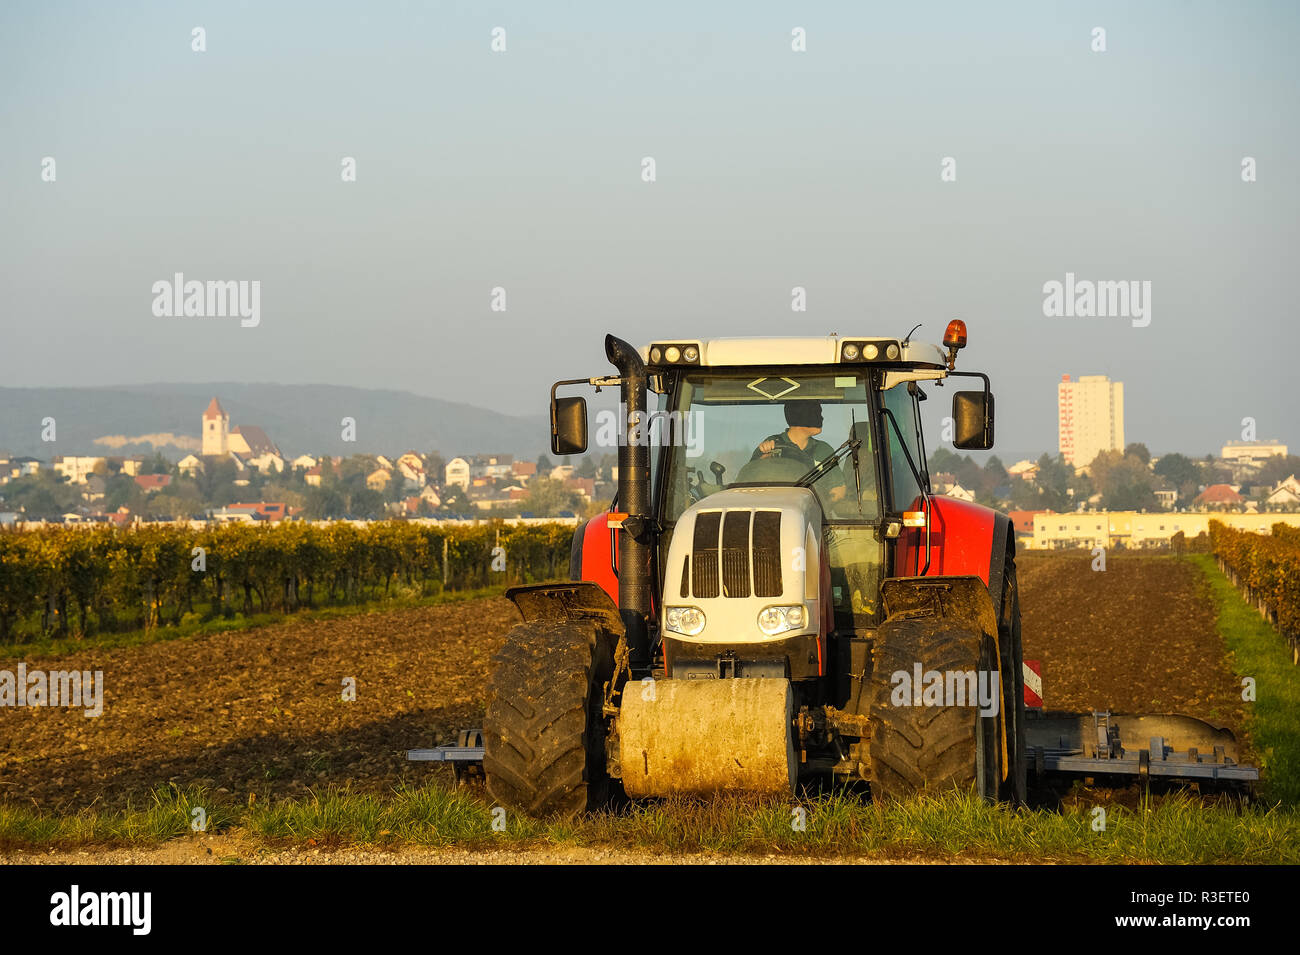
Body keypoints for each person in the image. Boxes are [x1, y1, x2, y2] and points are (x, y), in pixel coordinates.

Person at [752, 401, 846, 501]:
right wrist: (763, 457)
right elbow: (751, 481)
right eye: (816, 413)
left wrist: (818, 506)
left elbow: (839, 490)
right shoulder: (771, 445)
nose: (822, 418)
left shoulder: (823, 449)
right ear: (801, 416)